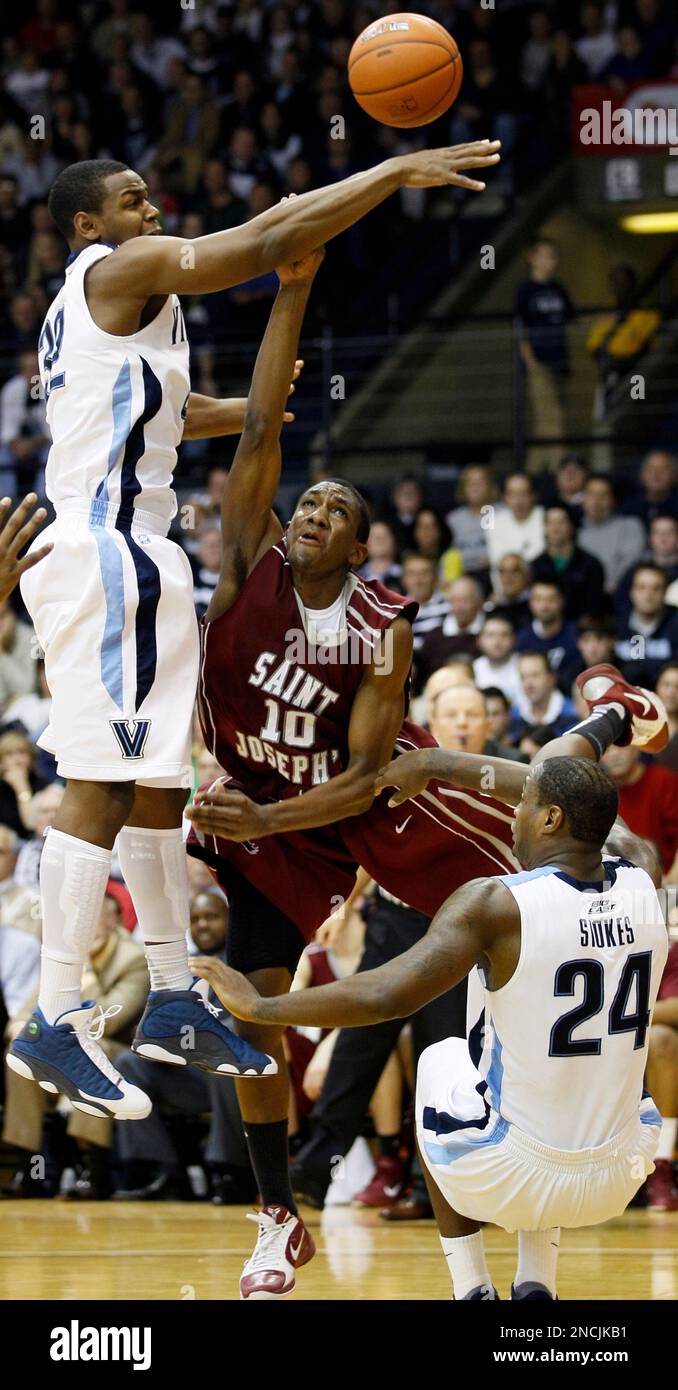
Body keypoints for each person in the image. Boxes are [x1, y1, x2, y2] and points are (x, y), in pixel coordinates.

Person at [9, 141, 502, 1115]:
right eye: (130, 199)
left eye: (151, 197)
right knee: (101, 785)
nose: (148, 210)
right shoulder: (121, 269)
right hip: (107, 548)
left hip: (134, 549)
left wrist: (249, 404)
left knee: (156, 788)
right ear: (84, 227)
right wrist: (390, 175)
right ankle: (56, 1012)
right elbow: (269, 234)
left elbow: (168, 416)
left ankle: (169, 995)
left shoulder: (101, 316)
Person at [196, 714, 668, 1302]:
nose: (510, 814)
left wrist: (262, 1006)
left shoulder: (495, 903)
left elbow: (385, 994)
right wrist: (441, 763)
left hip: (510, 1174)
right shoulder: (642, 874)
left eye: (523, 805)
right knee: (553, 1082)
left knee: (443, 1060)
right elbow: (587, 807)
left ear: (550, 819)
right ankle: (536, 1286)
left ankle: (471, 1289)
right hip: (619, 1173)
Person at [514, 239, 573, 474]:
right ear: (532, 257)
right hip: (538, 362)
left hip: (560, 360)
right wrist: (530, 362)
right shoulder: (525, 290)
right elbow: (519, 329)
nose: (551, 262)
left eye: (554, 257)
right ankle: (561, 471)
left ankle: (532, 473)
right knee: (552, 419)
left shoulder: (558, 288)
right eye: (547, 256)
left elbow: (574, 317)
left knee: (546, 424)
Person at [603, 743, 678, 883]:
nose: (614, 754)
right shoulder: (601, 794)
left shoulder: (663, 781)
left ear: (637, 747)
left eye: (621, 745)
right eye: (607, 749)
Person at [645, 942, 678, 1210]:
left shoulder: (668, 948)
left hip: (637, 1043)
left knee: (661, 1040)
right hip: (595, 1048)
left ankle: (661, 1163)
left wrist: (620, 1014)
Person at [531, 504, 605, 620]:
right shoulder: (536, 565)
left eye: (561, 522)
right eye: (550, 522)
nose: (555, 528)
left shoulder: (591, 565)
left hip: (581, 629)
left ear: (571, 526)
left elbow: (594, 607)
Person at [578, 474, 646, 592]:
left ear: (613, 499)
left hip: (618, 595)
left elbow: (629, 567)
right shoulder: (574, 529)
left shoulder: (629, 526)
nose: (596, 501)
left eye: (603, 495)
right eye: (591, 494)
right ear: (582, 499)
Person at [615, 564, 678, 689]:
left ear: (665, 592)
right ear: (631, 592)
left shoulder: (675, 624)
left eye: (656, 589)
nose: (648, 596)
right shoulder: (614, 624)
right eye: (641, 588)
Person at [515, 580, 580, 691]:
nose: (544, 606)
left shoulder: (575, 634)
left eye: (551, 599)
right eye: (538, 599)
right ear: (530, 602)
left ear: (561, 601)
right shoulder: (523, 638)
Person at [511, 650, 577, 742]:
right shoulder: (514, 716)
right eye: (523, 677)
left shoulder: (573, 714)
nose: (528, 683)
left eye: (535, 675)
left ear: (551, 678)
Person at [486, 474, 544, 573]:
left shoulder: (545, 517)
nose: (518, 501)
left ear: (533, 496)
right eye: (512, 494)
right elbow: (496, 562)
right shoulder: (495, 522)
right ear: (504, 498)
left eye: (523, 494)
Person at [473, 613, 521, 704]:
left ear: (514, 639)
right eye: (490, 635)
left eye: (504, 635)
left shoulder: (525, 666)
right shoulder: (473, 669)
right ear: (479, 640)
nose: (497, 642)